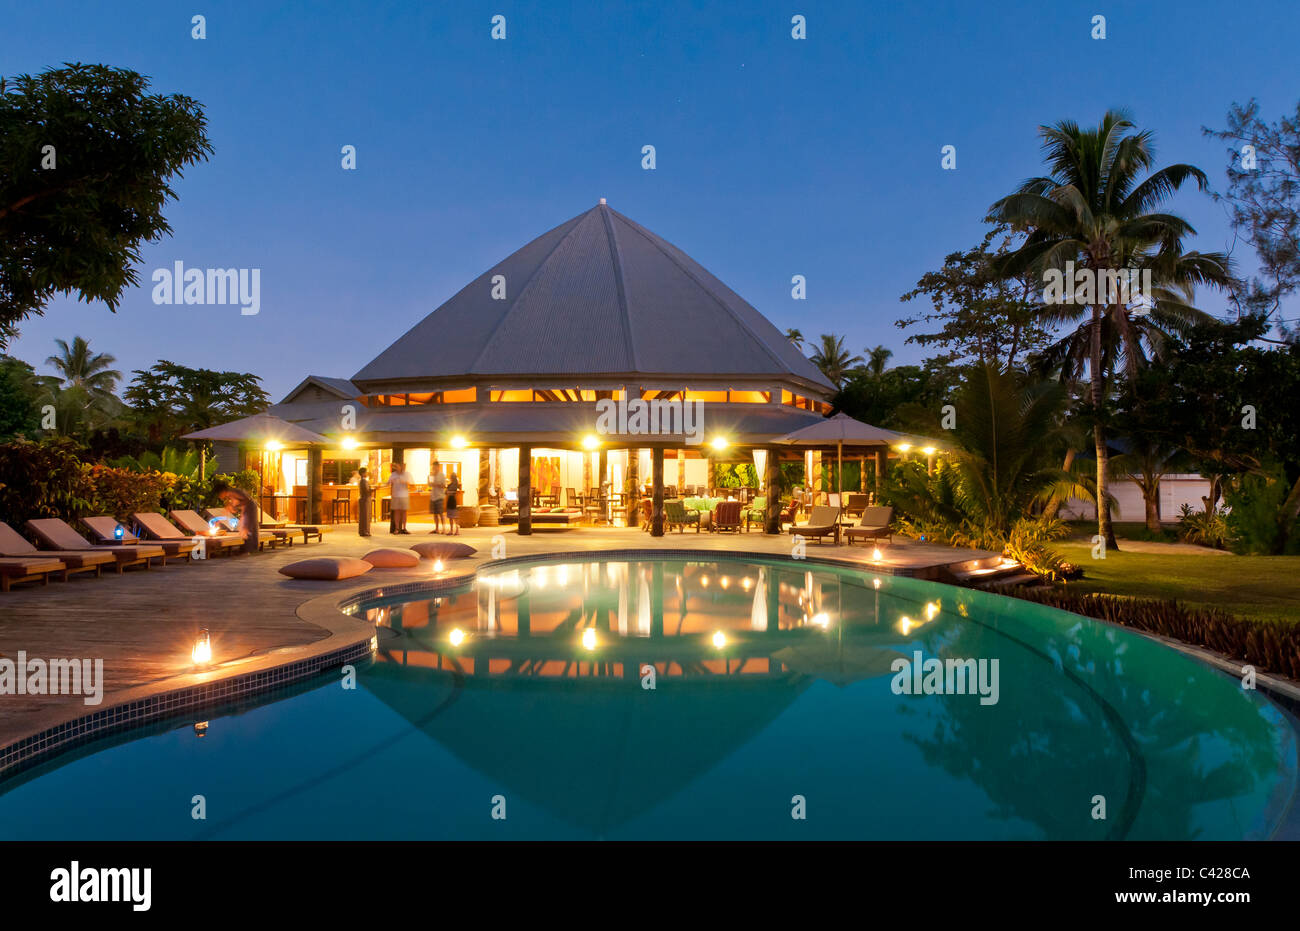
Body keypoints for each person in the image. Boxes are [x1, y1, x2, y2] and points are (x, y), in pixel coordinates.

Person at [211, 480, 259, 555]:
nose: (220, 497)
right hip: (246, 508)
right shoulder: (230, 494)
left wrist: (235, 506)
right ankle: (246, 548)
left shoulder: (232, 492)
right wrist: (219, 521)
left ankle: (248, 549)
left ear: (222, 491)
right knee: (244, 528)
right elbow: (228, 508)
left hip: (250, 508)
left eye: (219, 494)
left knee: (247, 528)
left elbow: (247, 499)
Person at [389, 461, 410, 534]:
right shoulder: (393, 474)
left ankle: (404, 528)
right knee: (397, 512)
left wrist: (403, 481)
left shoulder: (407, 474)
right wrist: (392, 481)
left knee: (404, 512)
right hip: (396, 495)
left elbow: (411, 483)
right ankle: (397, 528)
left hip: (404, 495)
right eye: (395, 466)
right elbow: (388, 483)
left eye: (398, 466)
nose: (396, 468)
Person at [429, 462, 447, 533]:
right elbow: (430, 484)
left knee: (441, 513)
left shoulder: (442, 475)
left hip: (440, 496)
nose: (434, 468)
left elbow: (444, 485)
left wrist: (436, 484)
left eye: (435, 467)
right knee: (435, 513)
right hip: (433, 496)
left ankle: (443, 528)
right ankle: (436, 529)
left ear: (438, 467)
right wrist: (432, 477)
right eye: (433, 467)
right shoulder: (431, 475)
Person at [357, 466, 372, 537]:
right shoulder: (363, 481)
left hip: (363, 499)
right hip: (365, 499)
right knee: (365, 516)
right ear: (363, 473)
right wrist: (373, 489)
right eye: (366, 472)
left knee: (363, 516)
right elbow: (366, 491)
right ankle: (365, 531)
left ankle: (362, 531)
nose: (367, 473)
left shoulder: (362, 480)